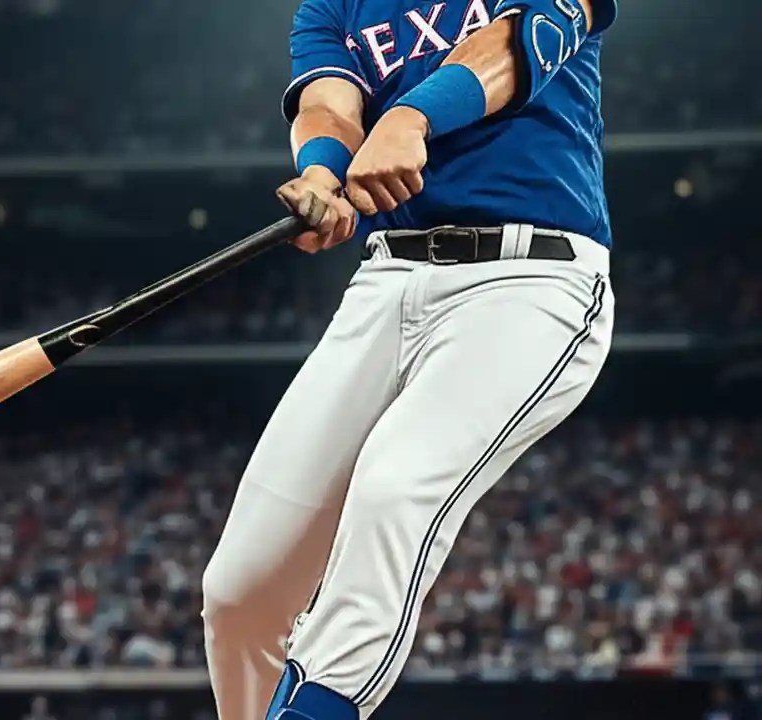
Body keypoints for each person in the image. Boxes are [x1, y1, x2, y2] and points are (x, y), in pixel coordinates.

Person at [200, 0, 619, 718]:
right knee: (241, 593)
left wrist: (410, 116)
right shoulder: (330, 7)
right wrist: (321, 173)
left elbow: (521, 41)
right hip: (387, 278)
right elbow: (330, 104)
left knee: (395, 491)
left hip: (530, 277)